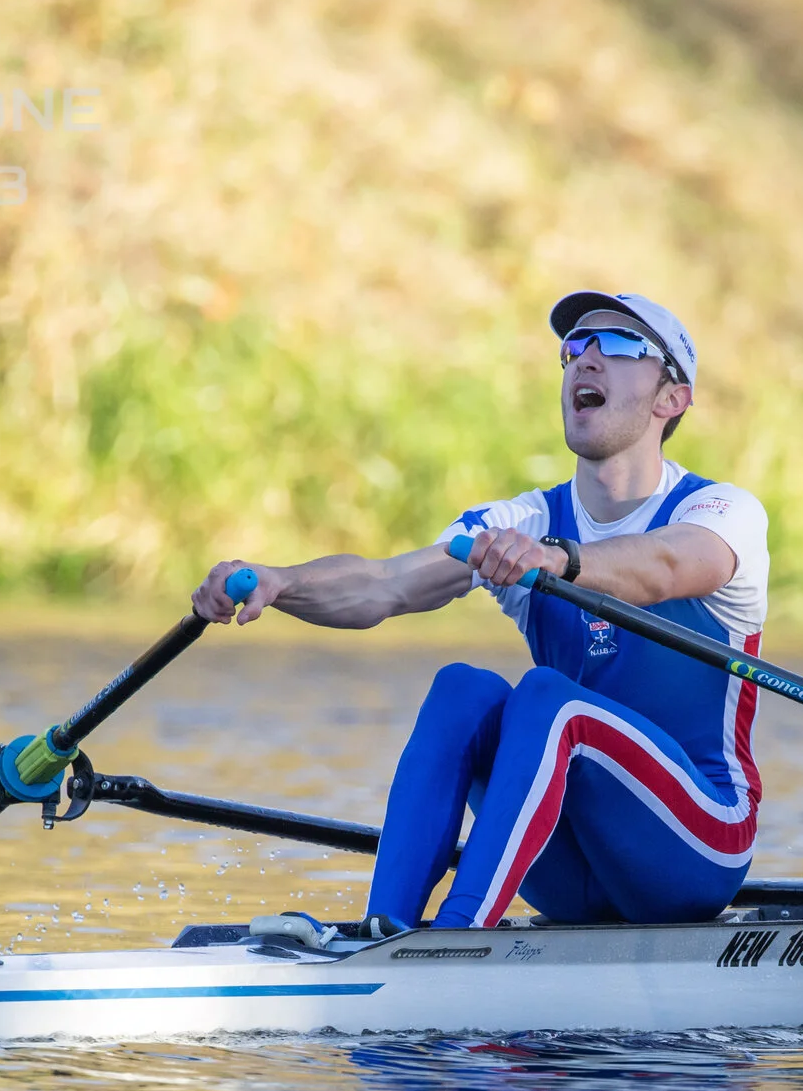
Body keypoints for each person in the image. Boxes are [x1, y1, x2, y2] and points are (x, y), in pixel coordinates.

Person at [191, 291, 769, 934]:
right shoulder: (523, 521)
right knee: (462, 689)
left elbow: (667, 565)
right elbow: (384, 585)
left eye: (618, 345)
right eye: (575, 346)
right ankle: (387, 928)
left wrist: (558, 560)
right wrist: (282, 582)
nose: (586, 359)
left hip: (697, 847)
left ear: (672, 398)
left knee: (549, 697)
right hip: (570, 866)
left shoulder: (721, 512)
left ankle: (459, 935)